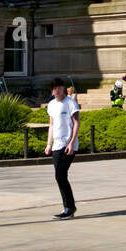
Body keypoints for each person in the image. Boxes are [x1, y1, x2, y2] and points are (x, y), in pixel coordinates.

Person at [45, 77, 80, 219]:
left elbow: (76, 123)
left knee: (60, 175)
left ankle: (69, 208)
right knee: (60, 177)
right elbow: (52, 125)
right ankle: (69, 207)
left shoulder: (70, 103)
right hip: (56, 145)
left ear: (63, 88)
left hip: (68, 145)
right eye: (54, 88)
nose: (57, 90)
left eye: (59, 87)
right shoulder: (51, 104)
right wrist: (48, 144)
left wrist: (72, 142)